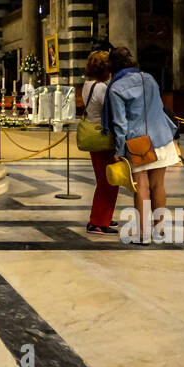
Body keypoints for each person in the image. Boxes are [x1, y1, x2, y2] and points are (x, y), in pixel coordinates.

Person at [104, 46, 181, 244]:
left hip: (139, 141)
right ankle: (159, 229)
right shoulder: (148, 78)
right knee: (159, 185)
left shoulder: (116, 88)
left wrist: (120, 150)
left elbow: (120, 124)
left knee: (142, 187)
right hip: (162, 136)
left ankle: (142, 234)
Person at [77, 50, 118, 235]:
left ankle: (104, 216)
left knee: (104, 178)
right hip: (102, 135)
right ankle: (98, 222)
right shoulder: (101, 88)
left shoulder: (88, 84)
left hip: (93, 134)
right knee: (108, 180)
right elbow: (110, 110)